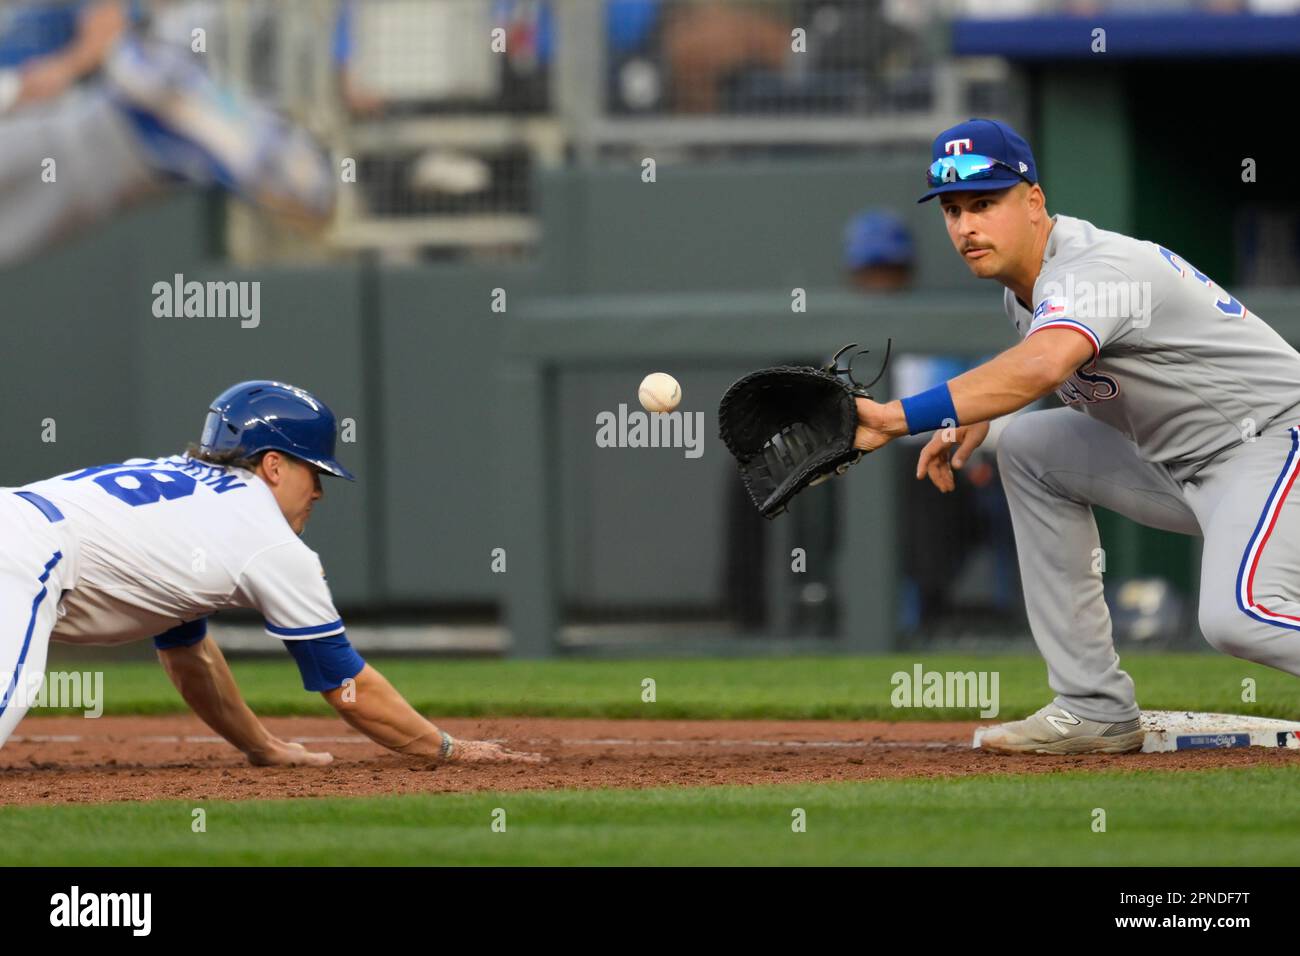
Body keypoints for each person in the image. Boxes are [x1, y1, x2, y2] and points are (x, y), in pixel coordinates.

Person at [852, 117, 1300, 754]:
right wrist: (978, 414)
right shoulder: (1027, 286)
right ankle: (1093, 707)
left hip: (1276, 443)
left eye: (985, 202)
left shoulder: (1094, 267)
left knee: (1238, 619)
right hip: (1190, 465)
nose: (966, 225)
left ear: (1034, 201)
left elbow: (1043, 363)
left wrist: (896, 417)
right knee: (1031, 450)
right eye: (952, 209)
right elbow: (1052, 370)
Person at [0, 380, 541, 766]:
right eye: (315, 471)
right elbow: (346, 683)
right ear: (274, 464)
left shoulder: (179, 493)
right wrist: (446, 748)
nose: (320, 491)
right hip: (25, 553)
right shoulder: (267, 537)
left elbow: (190, 657)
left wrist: (261, 746)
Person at [0, 0, 334, 266]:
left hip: (74, 104)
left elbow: (107, 26)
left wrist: (61, 69)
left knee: (72, 151)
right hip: (96, 111)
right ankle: (150, 136)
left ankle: (141, 125)